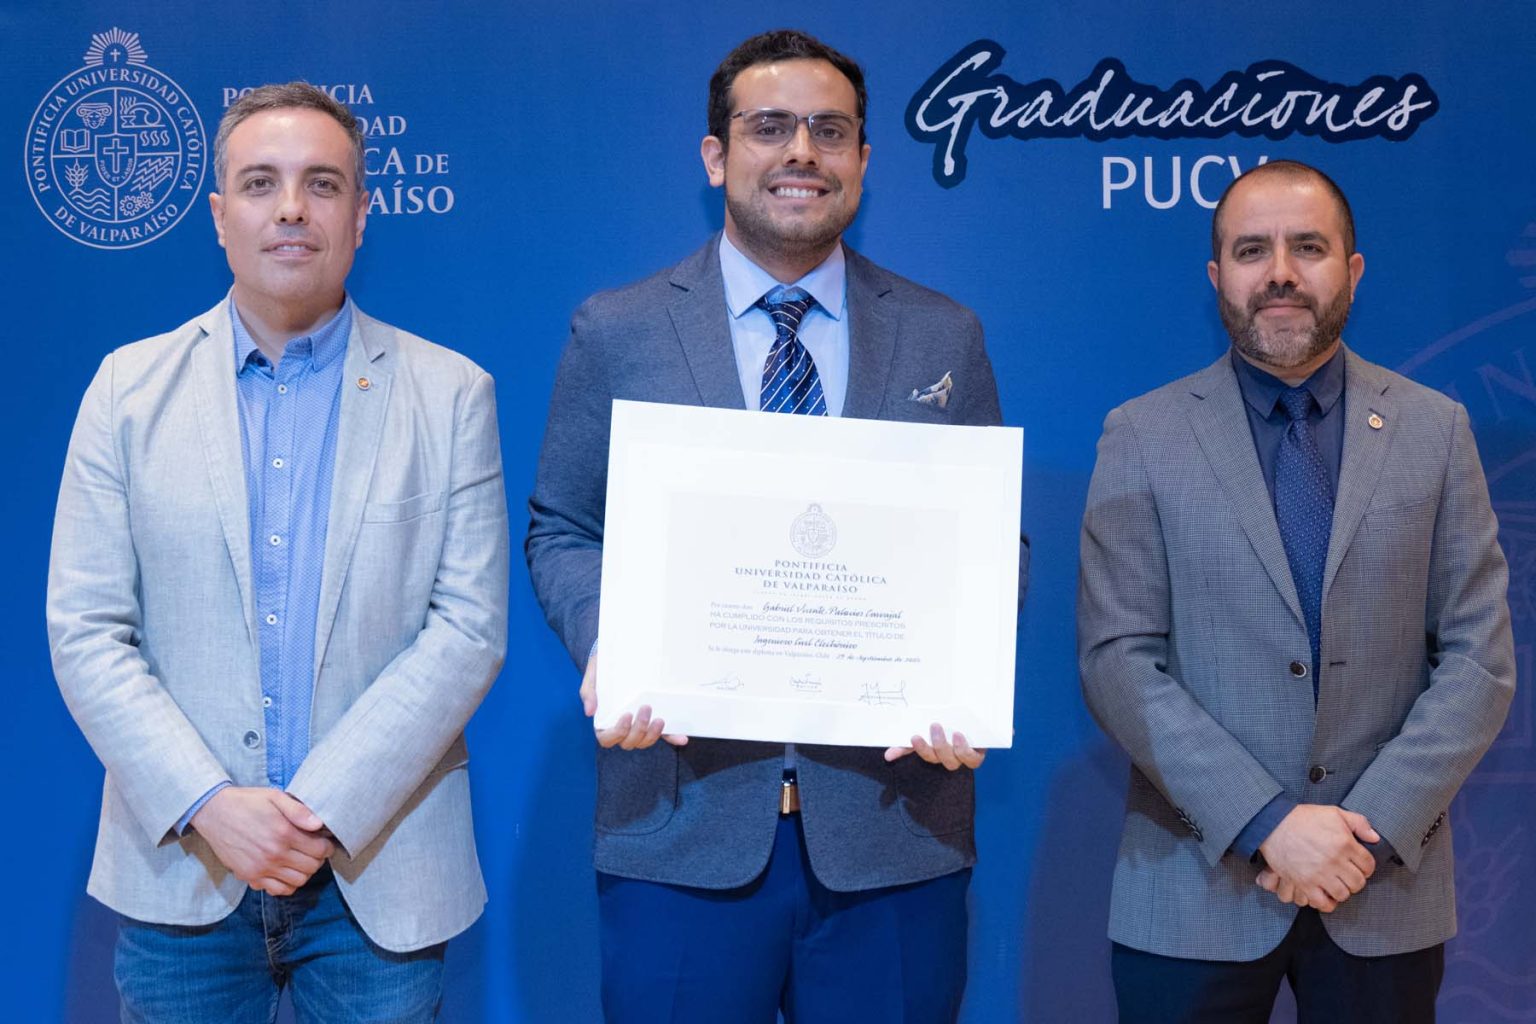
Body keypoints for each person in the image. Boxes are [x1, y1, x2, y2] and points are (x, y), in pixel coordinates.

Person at [527, 29, 1024, 1022]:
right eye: (770, 127)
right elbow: (563, 526)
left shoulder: (944, 335)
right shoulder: (616, 330)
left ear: (864, 162)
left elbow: (989, 543)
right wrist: (611, 643)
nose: (802, 150)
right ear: (717, 157)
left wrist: (965, 675)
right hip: (679, 831)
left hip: (894, 838)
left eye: (829, 131)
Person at [46, 82, 508, 1021]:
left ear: (362, 214)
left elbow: (467, 631)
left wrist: (317, 811)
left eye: (322, 184)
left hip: (378, 873)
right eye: (261, 183)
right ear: (220, 217)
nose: (292, 208)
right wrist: (213, 803)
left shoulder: (452, 393)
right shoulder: (126, 392)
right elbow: (87, 631)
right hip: (183, 867)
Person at [1077, 159, 1515, 1023]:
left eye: (1307, 247)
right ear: (1217, 278)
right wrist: (1268, 821)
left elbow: (1479, 659)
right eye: (1252, 250)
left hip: (1381, 891)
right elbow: (1118, 660)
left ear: (1352, 269)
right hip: (1192, 890)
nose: (1279, 271)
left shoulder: (1436, 430)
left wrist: (1370, 830)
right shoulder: (1142, 434)